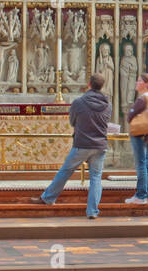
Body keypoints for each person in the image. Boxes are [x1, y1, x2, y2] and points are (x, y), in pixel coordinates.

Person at [32, 73, 112, 219]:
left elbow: (72, 122)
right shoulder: (107, 104)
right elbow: (106, 121)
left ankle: (48, 198)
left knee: (65, 171)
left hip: (82, 144)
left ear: (89, 84)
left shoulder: (79, 102)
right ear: (102, 86)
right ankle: (92, 211)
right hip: (100, 145)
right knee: (96, 177)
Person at [125, 72, 148, 205]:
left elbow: (129, 117)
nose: (136, 83)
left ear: (146, 84)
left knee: (141, 165)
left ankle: (140, 195)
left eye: (139, 81)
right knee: (147, 164)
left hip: (139, 134)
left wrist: (131, 112)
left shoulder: (142, 99)